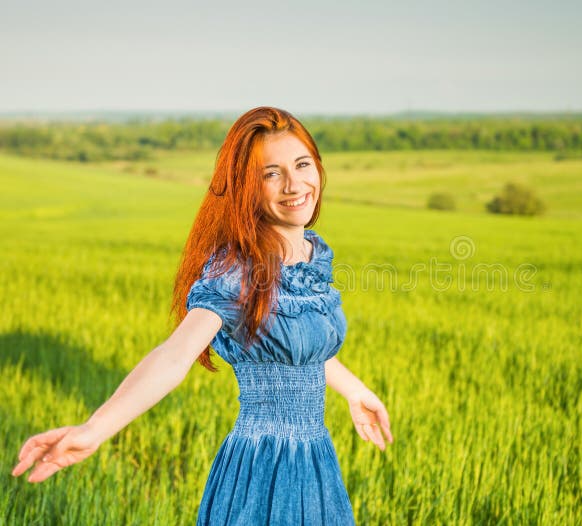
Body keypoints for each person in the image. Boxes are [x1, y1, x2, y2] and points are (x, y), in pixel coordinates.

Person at [11, 107, 393, 525]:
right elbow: (174, 356)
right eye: (271, 174)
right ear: (248, 188)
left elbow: (297, 345)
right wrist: (94, 430)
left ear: (318, 167)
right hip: (262, 468)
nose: (293, 184)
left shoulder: (312, 255)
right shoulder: (237, 269)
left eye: (302, 164)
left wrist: (355, 391)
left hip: (316, 462)